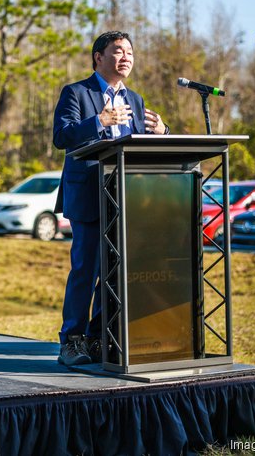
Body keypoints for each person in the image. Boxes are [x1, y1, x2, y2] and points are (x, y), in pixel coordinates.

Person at [52, 31, 169, 366]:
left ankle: (98, 338)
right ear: (98, 57)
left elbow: (141, 144)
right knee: (86, 270)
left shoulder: (136, 99)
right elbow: (62, 137)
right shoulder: (77, 92)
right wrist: (99, 122)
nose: (126, 57)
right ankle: (71, 342)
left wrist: (162, 132)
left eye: (130, 52)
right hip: (89, 194)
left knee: (115, 272)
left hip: (125, 196)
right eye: (118, 51)